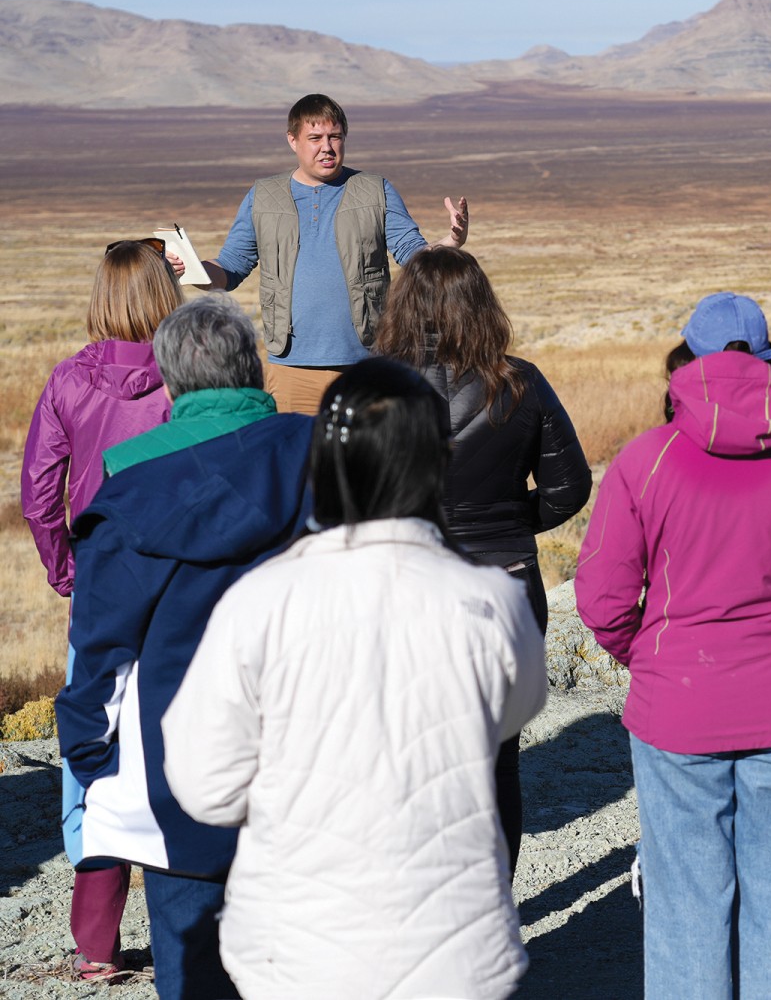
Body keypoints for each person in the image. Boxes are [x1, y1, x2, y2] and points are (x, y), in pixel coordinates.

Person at [162, 358, 549, 1000]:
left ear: (326, 464)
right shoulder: (493, 603)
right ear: (435, 463)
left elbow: (205, 786)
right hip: (457, 960)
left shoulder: (259, 601)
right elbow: (516, 710)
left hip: (298, 955)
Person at [575, 292, 771, 1000]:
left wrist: (655, 659)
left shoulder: (645, 461)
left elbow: (600, 598)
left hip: (676, 716)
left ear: (685, 364)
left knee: (686, 907)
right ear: (768, 362)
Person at [55, 295, 314, 1000]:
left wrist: (87, 749)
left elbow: (101, 651)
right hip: (317, 760)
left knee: (192, 963)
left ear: (169, 385)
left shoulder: (128, 494)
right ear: (255, 372)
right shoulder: (328, 459)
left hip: (180, 778)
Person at [376, 246, 591, 873]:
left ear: (404, 306)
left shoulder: (370, 388)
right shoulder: (521, 381)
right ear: (481, 305)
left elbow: (336, 498)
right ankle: (494, 907)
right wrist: (504, 526)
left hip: (400, 588)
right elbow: (568, 489)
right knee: (498, 754)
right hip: (505, 586)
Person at [20, 239, 180, 980]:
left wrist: (66, 570)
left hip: (99, 591)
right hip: (180, 584)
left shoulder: (66, 381)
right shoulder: (185, 378)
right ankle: (196, 923)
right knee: (184, 741)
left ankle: (95, 947)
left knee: (93, 746)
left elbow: (37, 493)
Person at [172, 92, 470, 413]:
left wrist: (450, 243)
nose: (326, 147)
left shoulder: (375, 190)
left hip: (366, 365)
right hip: (290, 370)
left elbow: (413, 255)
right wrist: (192, 271)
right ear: (292, 140)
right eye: (315, 138)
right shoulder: (264, 196)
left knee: (363, 461)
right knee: (298, 461)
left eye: (335, 137)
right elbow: (230, 269)